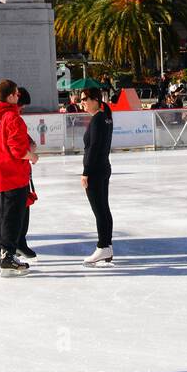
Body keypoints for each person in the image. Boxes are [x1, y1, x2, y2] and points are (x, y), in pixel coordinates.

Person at [0, 78, 38, 276]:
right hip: (13, 174)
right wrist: (33, 156)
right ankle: (8, 256)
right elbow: (18, 150)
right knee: (13, 216)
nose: (18, 97)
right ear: (11, 95)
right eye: (17, 94)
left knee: (3, 213)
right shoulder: (12, 118)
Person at [80, 89, 114, 265]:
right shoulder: (106, 117)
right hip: (103, 168)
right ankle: (106, 246)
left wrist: (86, 172)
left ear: (95, 100)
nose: (82, 103)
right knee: (103, 209)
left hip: (95, 170)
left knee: (100, 210)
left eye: (85, 99)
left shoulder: (97, 119)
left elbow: (93, 147)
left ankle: (103, 246)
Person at [15, 87, 38, 261]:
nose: (21, 110)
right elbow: (19, 146)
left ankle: (18, 242)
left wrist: (30, 143)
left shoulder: (16, 118)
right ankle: (16, 243)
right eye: (21, 106)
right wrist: (31, 153)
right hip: (14, 172)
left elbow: (26, 140)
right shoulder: (11, 119)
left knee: (24, 206)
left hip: (22, 171)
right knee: (14, 210)